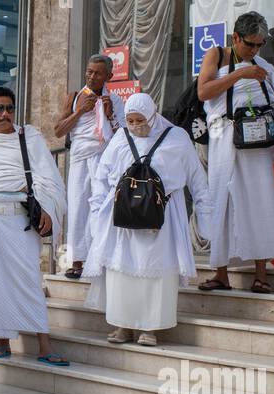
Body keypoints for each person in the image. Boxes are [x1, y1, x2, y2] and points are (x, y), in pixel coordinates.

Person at [84, 93, 213, 345]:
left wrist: (205, 217)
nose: (135, 126)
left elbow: (197, 180)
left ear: (153, 116)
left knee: (156, 274)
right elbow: (102, 175)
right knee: (122, 273)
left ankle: (150, 329)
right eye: (130, 121)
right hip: (123, 217)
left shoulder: (177, 138)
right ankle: (122, 326)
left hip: (162, 217)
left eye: (139, 120)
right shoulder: (121, 138)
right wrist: (97, 209)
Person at [197, 12, 274, 293]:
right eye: (250, 45)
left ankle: (261, 274)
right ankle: (221, 273)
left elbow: (271, 101)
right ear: (236, 37)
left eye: (259, 45)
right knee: (222, 201)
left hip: (256, 141)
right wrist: (240, 72)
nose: (254, 50)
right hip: (224, 137)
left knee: (260, 202)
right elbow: (204, 92)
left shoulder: (263, 66)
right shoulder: (216, 55)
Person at [0, 87, 69, 366]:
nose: (5, 114)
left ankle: (44, 345)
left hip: (21, 221)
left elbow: (49, 178)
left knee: (30, 281)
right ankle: (3, 341)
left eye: (10, 108)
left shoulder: (30, 137)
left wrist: (48, 208)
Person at [54, 54, 126, 280]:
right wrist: (79, 111)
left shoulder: (115, 101)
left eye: (97, 73)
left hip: (104, 159)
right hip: (79, 160)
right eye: (89, 71)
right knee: (77, 208)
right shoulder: (74, 97)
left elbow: (123, 136)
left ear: (109, 76)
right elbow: (58, 131)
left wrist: (110, 115)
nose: (92, 76)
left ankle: (99, 259)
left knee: (102, 208)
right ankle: (77, 260)